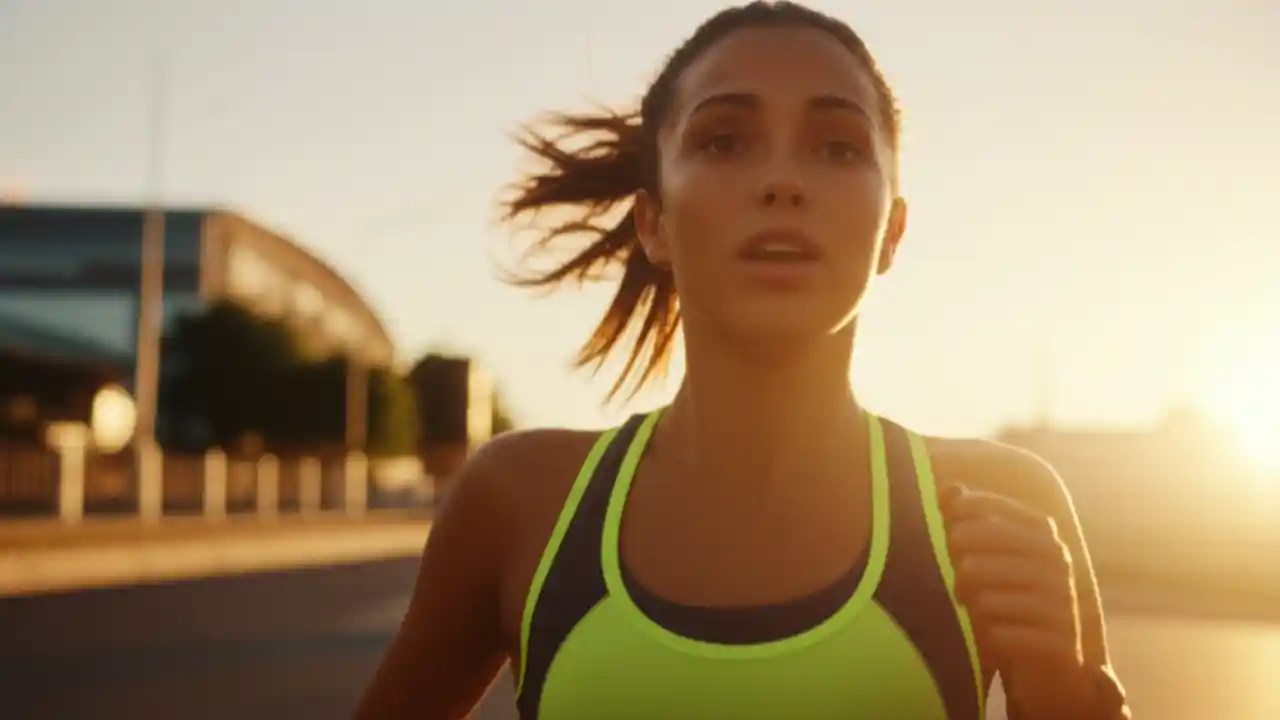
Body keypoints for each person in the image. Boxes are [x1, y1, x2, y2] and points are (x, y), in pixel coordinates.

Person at [354, 2, 1129, 718]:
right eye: (723, 140)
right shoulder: (520, 502)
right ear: (652, 222)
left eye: (838, 147)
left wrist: (1062, 693)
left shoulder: (998, 504)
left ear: (892, 230)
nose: (784, 181)